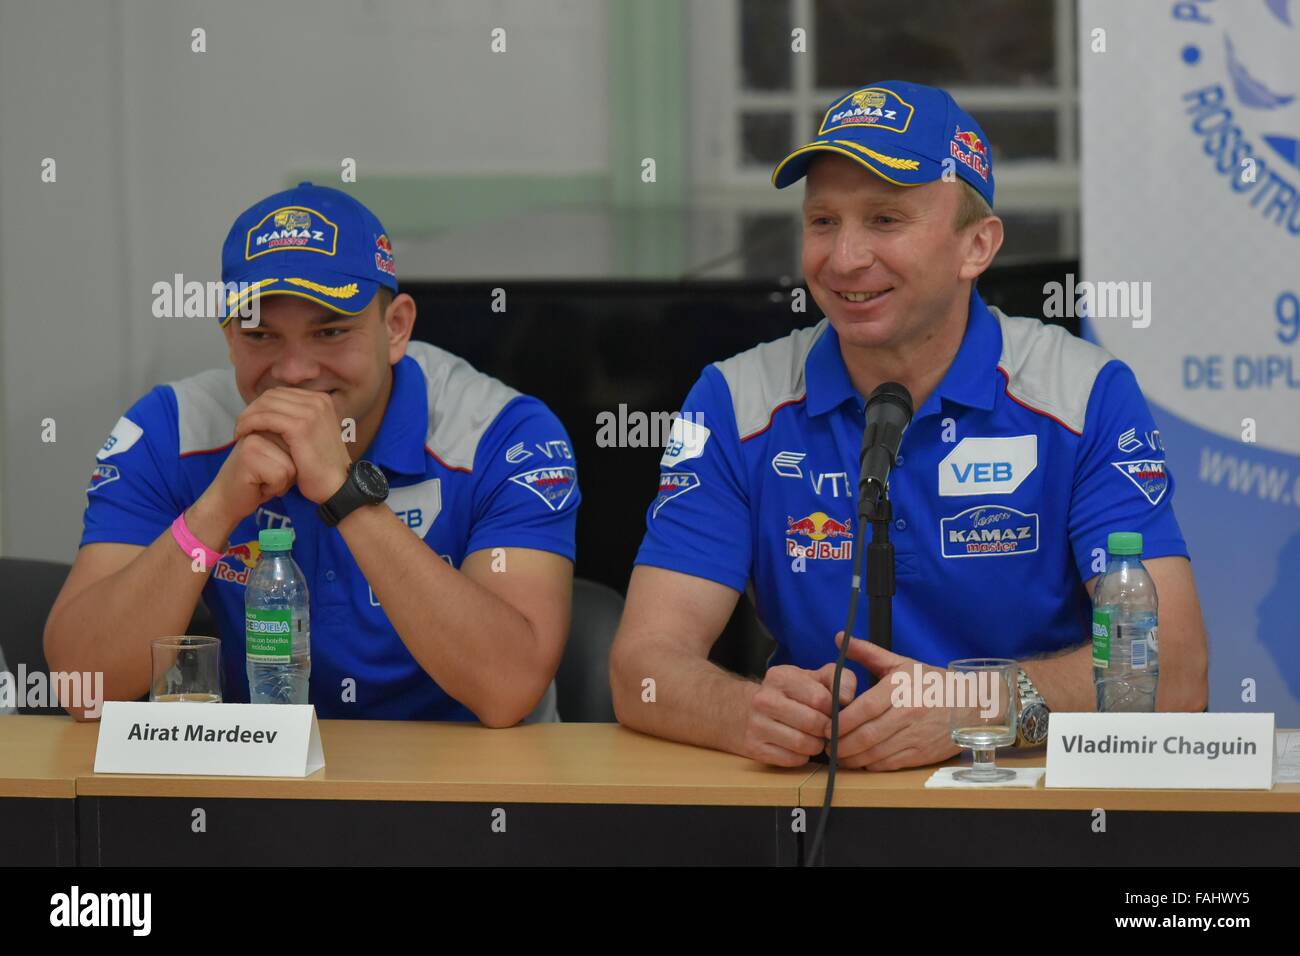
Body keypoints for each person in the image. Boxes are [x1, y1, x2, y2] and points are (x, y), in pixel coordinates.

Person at [610, 81, 1208, 770]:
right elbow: (642, 671)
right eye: (824, 221)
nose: (844, 260)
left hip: (1035, 808)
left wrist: (978, 710)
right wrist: (749, 714)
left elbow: (1176, 668)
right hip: (825, 806)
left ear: (976, 247)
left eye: (886, 220)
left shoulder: (1086, 394)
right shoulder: (732, 400)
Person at [45, 183, 579, 725]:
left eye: (330, 331)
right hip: (261, 788)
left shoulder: (505, 434)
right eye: (261, 336)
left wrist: (346, 495)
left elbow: (508, 688)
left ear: (395, 328)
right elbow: (81, 685)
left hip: (466, 795)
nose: (294, 371)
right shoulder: (169, 431)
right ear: (230, 337)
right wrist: (213, 513)